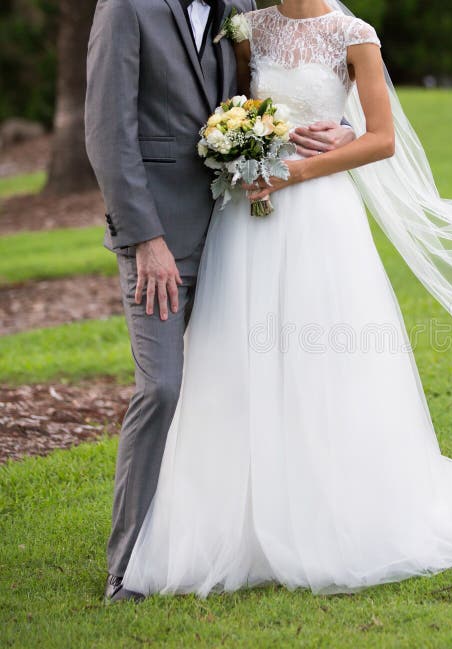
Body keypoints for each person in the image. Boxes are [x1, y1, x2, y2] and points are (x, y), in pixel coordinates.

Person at [120, 0, 452, 598]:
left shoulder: (355, 35)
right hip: (246, 219)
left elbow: (382, 140)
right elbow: (226, 106)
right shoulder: (252, 28)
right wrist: (241, 151)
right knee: (236, 363)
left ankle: (334, 513)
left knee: (324, 363)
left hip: (320, 218)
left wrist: (300, 168)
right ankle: (243, 519)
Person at [85, 0, 357, 602]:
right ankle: (126, 565)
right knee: (161, 388)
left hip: (237, 231)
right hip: (159, 242)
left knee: (242, 388)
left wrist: (342, 132)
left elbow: (258, 106)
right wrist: (144, 239)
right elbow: (107, 132)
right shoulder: (127, 7)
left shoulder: (236, 10)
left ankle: (233, 539)